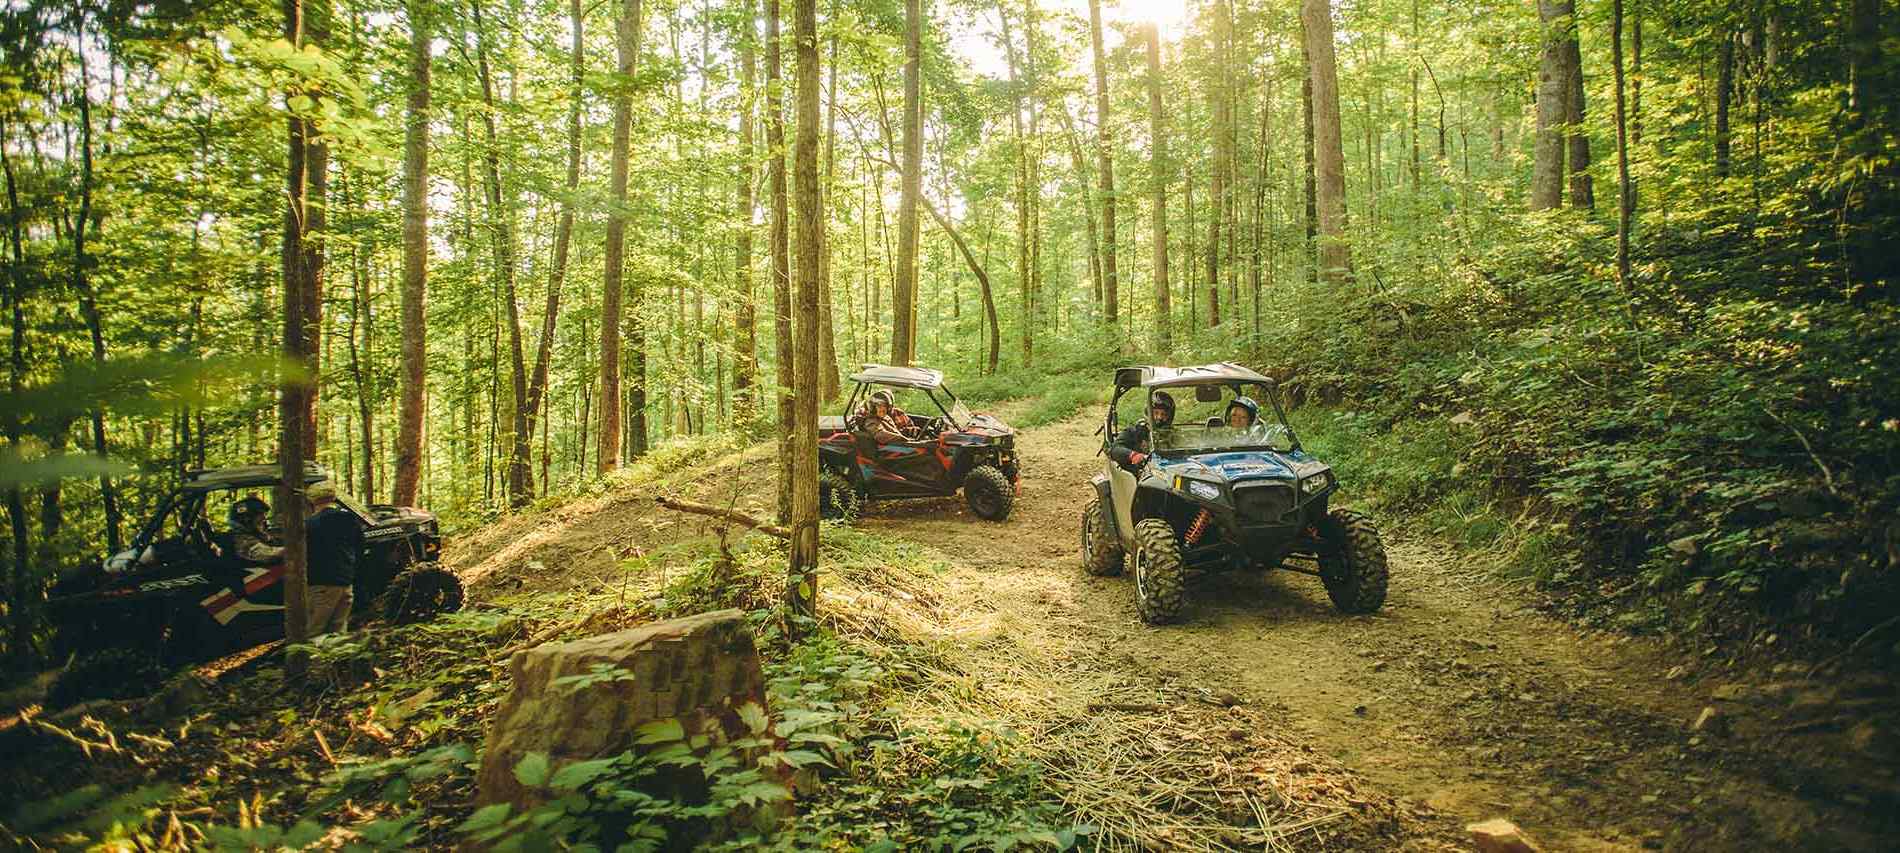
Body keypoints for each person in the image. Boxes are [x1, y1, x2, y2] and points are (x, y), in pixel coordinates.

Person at [303, 481, 364, 636]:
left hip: (321, 584)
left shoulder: (309, 524)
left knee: (314, 632)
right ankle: (336, 660)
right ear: (333, 497)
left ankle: (315, 661)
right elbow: (360, 545)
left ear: (311, 500)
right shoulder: (350, 518)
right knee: (338, 631)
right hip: (346, 582)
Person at [1108, 391, 1175, 469]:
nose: (1159, 417)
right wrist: (1133, 455)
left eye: (1163, 414)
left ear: (1169, 417)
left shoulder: (1174, 434)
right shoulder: (1134, 432)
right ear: (1148, 413)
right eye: (1156, 413)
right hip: (1140, 475)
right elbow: (1115, 449)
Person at [227, 495, 285, 564]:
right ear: (247, 519)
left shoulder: (256, 534)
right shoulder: (241, 540)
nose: (264, 519)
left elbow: (273, 541)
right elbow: (270, 554)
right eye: (260, 515)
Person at [854, 389, 919, 444]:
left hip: (896, 444)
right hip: (887, 448)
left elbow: (895, 431)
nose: (882, 409)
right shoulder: (871, 421)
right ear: (873, 408)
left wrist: (913, 432)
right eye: (879, 406)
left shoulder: (886, 417)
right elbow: (880, 435)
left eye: (885, 406)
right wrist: (906, 440)